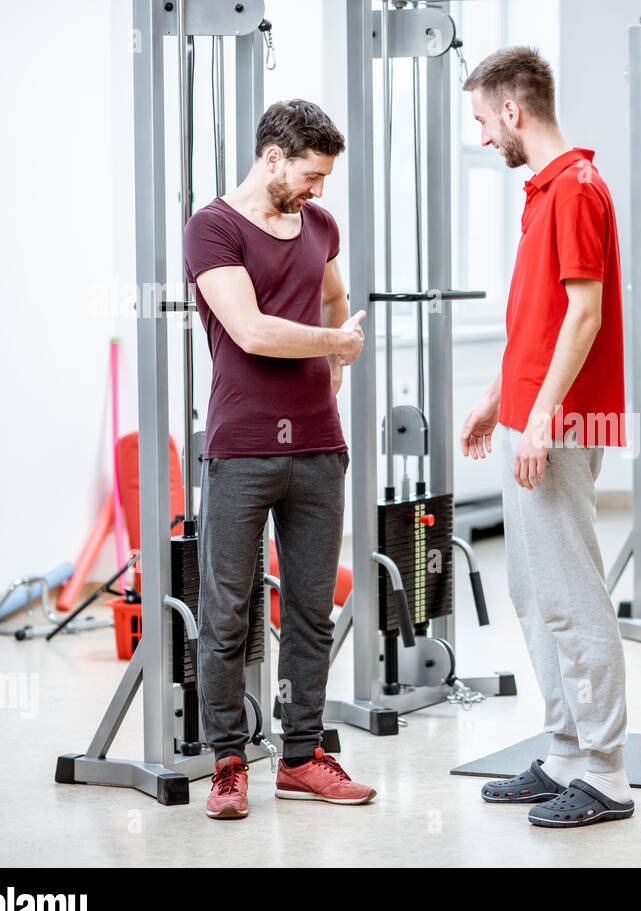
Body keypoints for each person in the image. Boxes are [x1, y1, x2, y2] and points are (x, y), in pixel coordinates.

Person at [183, 99, 376, 819]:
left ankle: (300, 756)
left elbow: (334, 297)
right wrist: (336, 347)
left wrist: (335, 370)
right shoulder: (214, 228)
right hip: (241, 447)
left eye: (326, 177)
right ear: (272, 158)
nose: (319, 190)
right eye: (310, 174)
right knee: (228, 612)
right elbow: (253, 330)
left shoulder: (320, 224)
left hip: (320, 449)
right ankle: (228, 761)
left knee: (310, 612)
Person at [458, 47, 635, 828]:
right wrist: (497, 401)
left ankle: (607, 770)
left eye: (483, 123)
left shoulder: (577, 189)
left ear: (513, 111)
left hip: (557, 426)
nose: (484, 139)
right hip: (530, 420)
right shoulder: (542, 191)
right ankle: (565, 748)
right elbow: (537, 320)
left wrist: (538, 418)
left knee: (569, 591)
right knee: (535, 591)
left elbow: (586, 314)